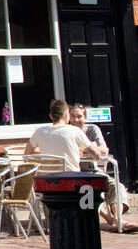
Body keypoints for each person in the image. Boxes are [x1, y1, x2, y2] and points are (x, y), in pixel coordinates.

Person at [32, 99, 134, 232]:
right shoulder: (68, 131)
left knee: (117, 186)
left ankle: (117, 219)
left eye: (79, 116)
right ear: (67, 116)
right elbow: (94, 152)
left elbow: (103, 150)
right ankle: (113, 221)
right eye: (72, 116)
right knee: (88, 189)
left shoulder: (91, 129)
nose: (75, 120)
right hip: (75, 174)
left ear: (85, 117)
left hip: (91, 171)